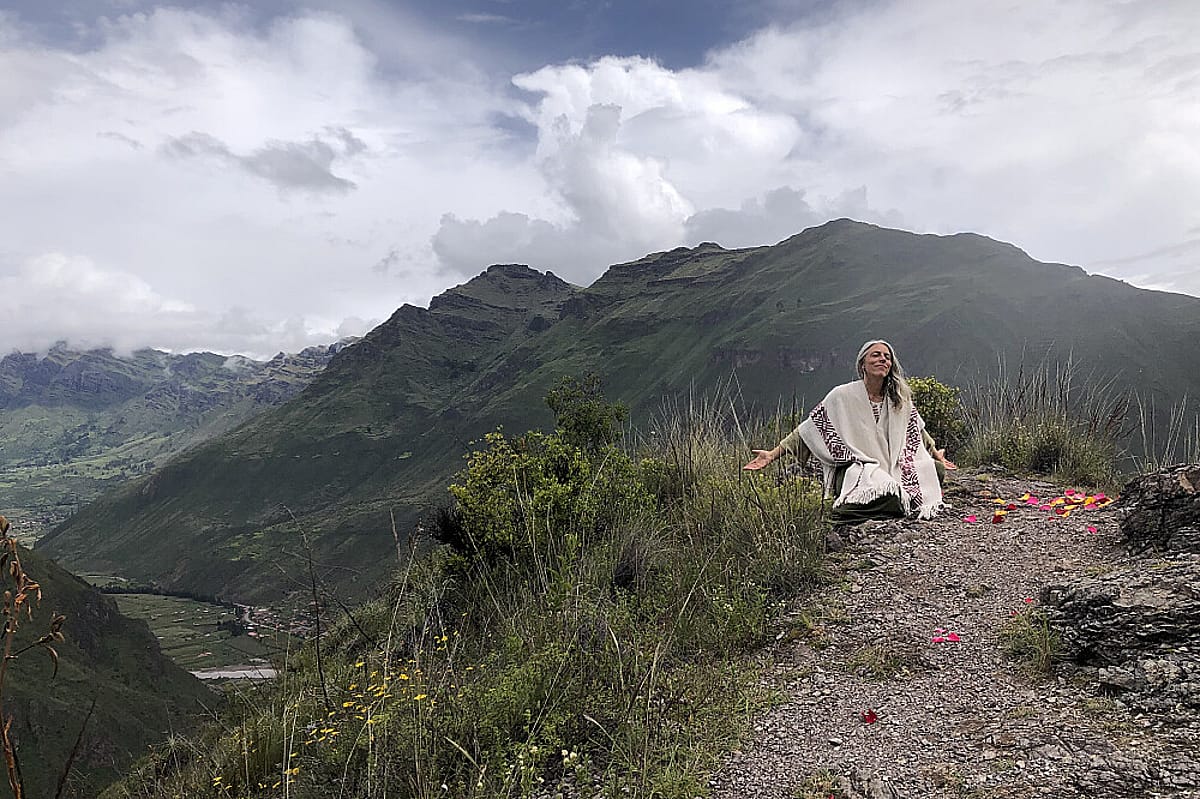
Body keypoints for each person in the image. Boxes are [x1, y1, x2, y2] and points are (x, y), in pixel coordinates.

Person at [744, 339, 955, 523]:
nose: (883, 359)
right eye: (876, 355)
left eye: (887, 357)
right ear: (862, 363)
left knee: (935, 470)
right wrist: (771, 455)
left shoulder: (899, 399)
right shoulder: (841, 396)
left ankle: (886, 506)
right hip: (857, 466)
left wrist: (936, 454)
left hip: (894, 465)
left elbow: (916, 430)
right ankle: (840, 513)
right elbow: (809, 429)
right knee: (889, 493)